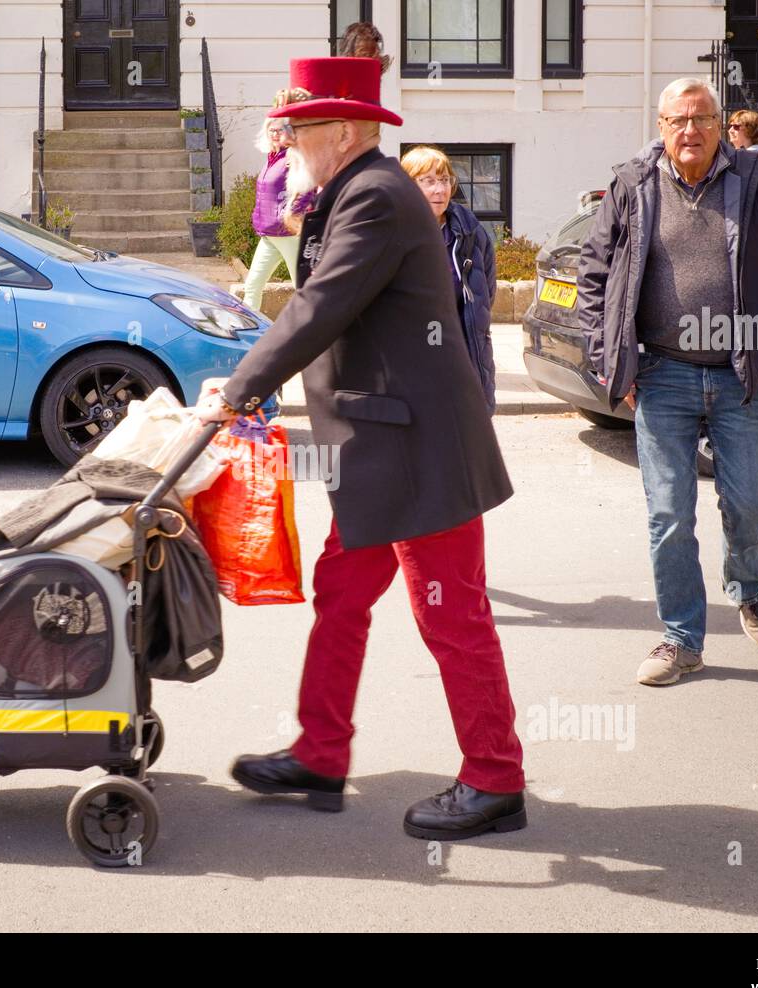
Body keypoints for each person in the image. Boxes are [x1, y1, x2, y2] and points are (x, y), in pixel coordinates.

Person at [197, 56, 526, 840]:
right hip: (381, 448)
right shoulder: (346, 191)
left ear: (342, 131)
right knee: (342, 593)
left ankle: (495, 779)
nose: (286, 141)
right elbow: (313, 291)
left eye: (299, 129)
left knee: (450, 613)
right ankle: (320, 753)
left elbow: (320, 307)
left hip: (419, 453)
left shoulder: (376, 197)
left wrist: (239, 388)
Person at [577, 77, 758, 686]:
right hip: (661, 375)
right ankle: (681, 639)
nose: (691, 131)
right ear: (661, 126)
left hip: (739, 377)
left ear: (721, 125)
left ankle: (749, 589)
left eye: (703, 119)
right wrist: (611, 358)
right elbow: (595, 275)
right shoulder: (632, 185)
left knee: (749, 505)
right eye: (678, 120)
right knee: (669, 516)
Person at [400, 145, 497, 410]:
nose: (439, 190)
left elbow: (485, 290)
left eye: (444, 180)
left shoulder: (469, 230)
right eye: (428, 181)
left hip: (463, 346)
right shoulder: (395, 231)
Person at [243, 118, 313, 312]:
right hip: (269, 234)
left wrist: (290, 215)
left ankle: (312, 333)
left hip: (287, 234)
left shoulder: (293, 158)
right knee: (252, 286)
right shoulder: (272, 159)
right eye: (271, 130)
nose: (275, 134)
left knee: (303, 287)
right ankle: (249, 336)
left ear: (288, 132)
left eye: (279, 130)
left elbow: (307, 189)